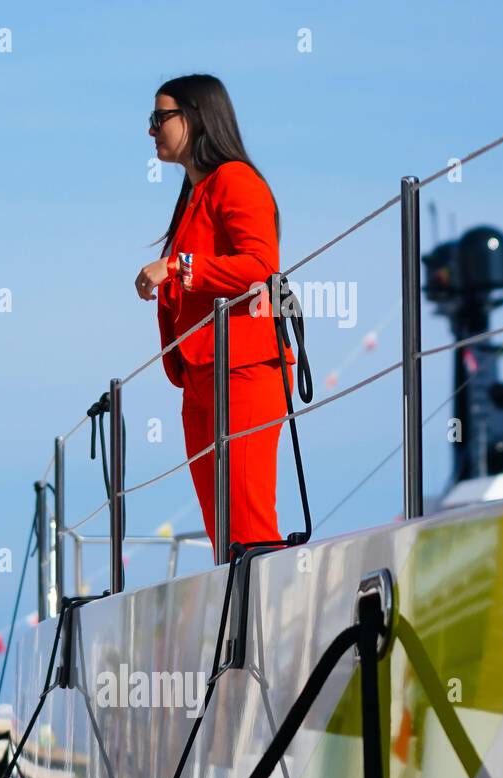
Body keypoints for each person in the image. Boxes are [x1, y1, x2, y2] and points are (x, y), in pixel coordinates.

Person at [134, 74, 295, 563]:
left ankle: (266, 637)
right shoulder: (193, 195)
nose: (152, 130)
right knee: (224, 534)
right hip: (202, 376)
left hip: (243, 370)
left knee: (249, 526)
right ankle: (239, 637)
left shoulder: (235, 180)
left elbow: (261, 266)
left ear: (196, 117)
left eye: (161, 118)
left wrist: (178, 268)